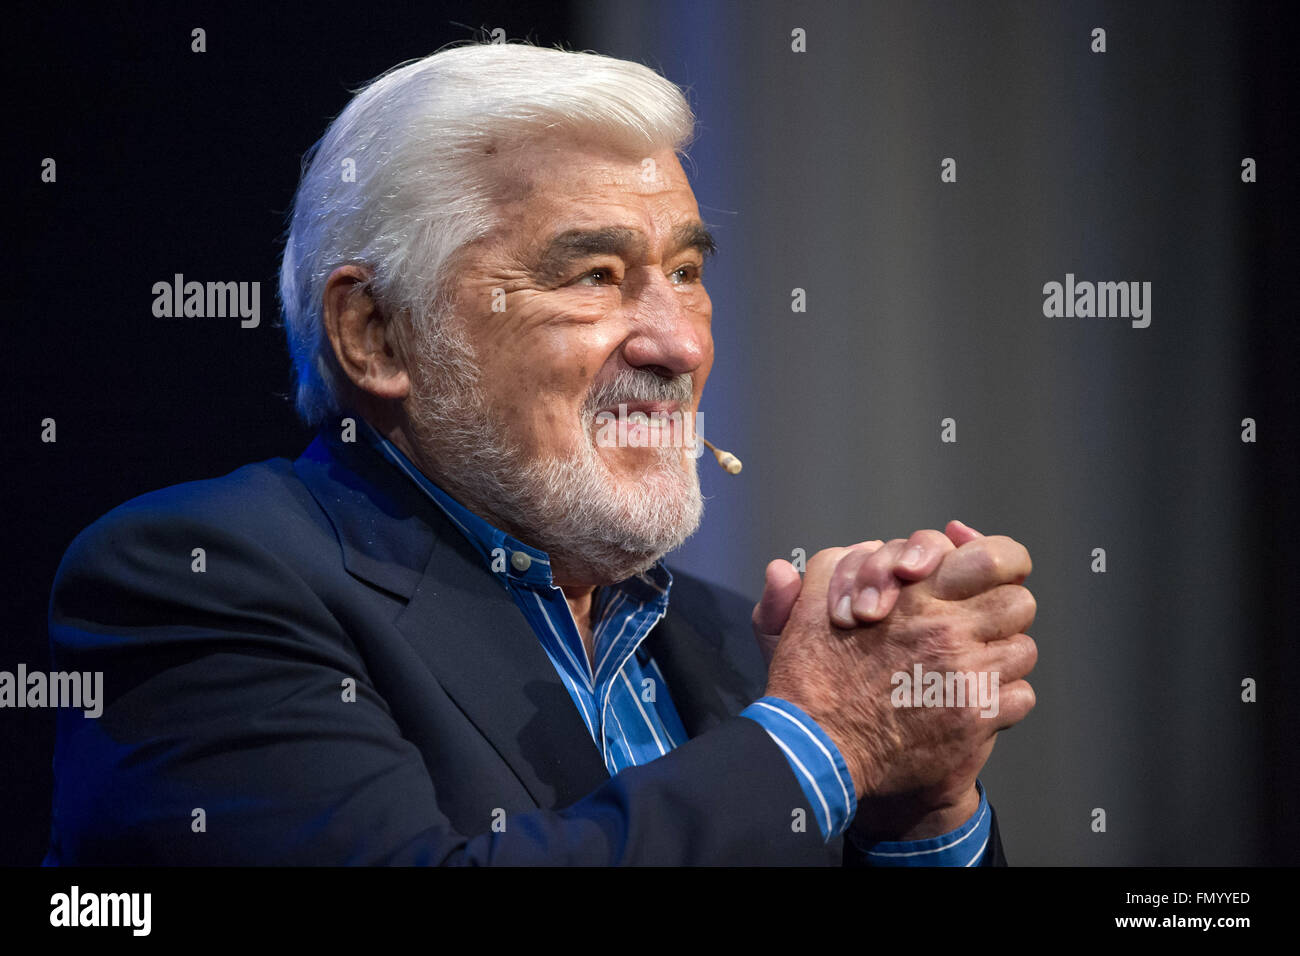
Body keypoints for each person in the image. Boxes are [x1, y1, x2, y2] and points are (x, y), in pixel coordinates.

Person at [44, 41, 1037, 865]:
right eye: (595, 274)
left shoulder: (741, 649)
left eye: (686, 271)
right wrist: (830, 736)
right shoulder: (198, 581)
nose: (679, 345)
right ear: (377, 335)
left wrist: (917, 810)